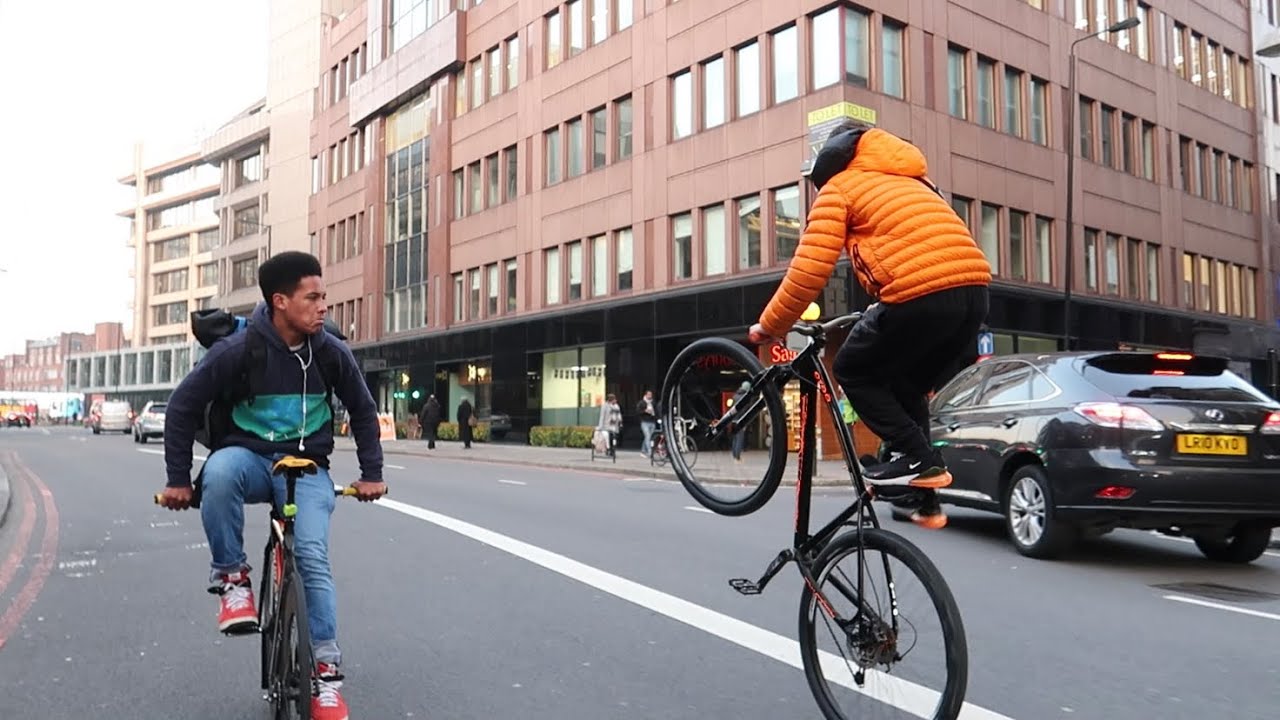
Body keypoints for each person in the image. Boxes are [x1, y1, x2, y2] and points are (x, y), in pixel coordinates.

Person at [157, 251, 387, 720]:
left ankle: (325, 675)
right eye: (313, 297)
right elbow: (181, 408)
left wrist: (372, 474)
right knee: (218, 472)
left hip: (307, 468)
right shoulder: (238, 352)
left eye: (325, 297)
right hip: (250, 460)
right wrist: (179, 480)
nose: (324, 307)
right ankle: (232, 578)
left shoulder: (330, 352)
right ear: (280, 301)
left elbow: (363, 412)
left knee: (313, 556)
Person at [749, 122, 991, 529]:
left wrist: (770, 325)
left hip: (919, 293)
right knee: (906, 385)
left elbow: (809, 271)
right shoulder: (917, 183)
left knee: (852, 369)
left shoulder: (841, 188)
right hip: (975, 295)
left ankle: (917, 458)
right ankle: (925, 498)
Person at [636, 390, 657, 456]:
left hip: (652, 421)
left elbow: (656, 410)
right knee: (648, 436)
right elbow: (638, 411)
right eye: (649, 394)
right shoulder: (642, 402)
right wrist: (645, 411)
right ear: (645, 395)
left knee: (649, 437)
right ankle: (649, 451)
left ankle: (643, 450)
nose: (650, 396)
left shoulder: (653, 402)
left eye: (651, 394)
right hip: (644, 421)